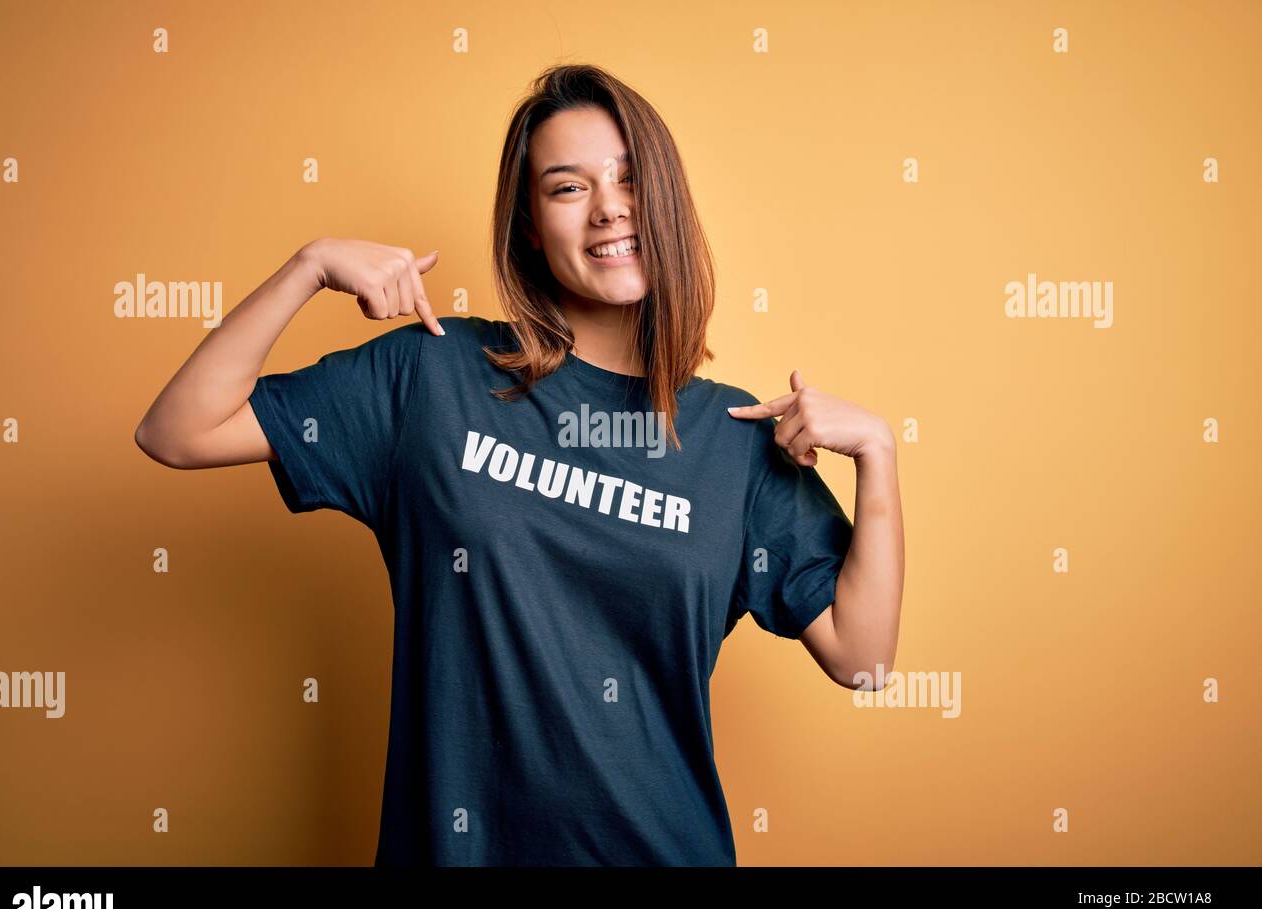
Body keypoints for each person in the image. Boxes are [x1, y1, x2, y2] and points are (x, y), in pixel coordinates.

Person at [134, 64, 904, 866]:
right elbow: (177, 430)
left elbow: (866, 659)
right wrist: (309, 266)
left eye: (630, 178)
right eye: (568, 187)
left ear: (666, 199)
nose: (610, 206)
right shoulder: (430, 379)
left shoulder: (733, 439)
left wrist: (879, 456)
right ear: (531, 226)